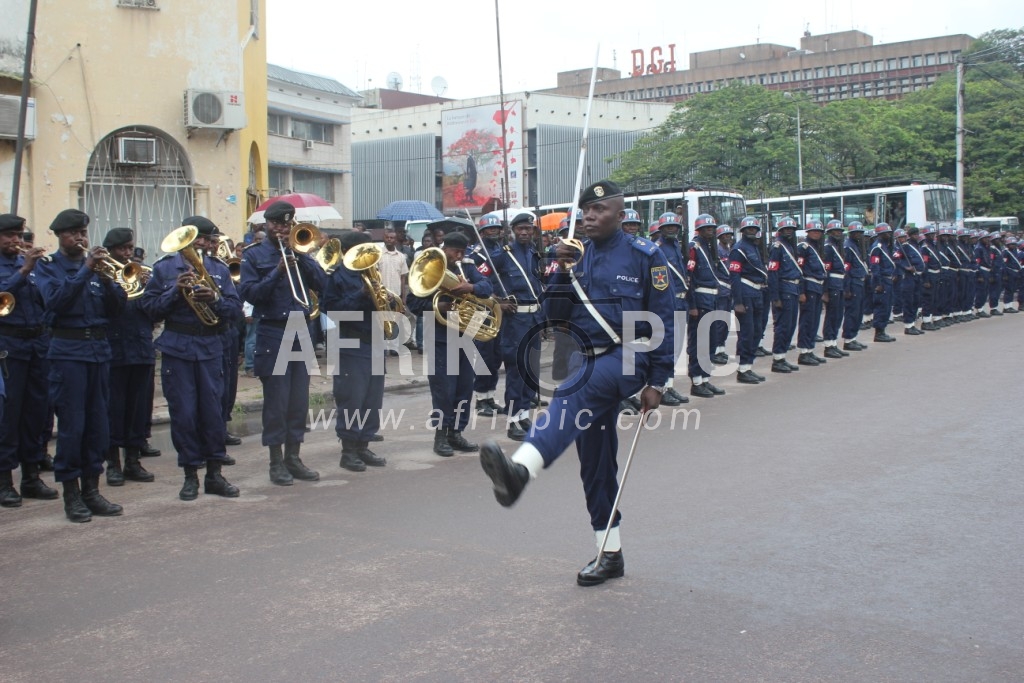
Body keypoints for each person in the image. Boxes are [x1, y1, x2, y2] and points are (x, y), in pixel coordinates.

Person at [478, 179, 676, 587]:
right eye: (586, 210)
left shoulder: (645, 255)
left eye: (599, 210)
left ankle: (521, 469)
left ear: (620, 215)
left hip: (628, 355)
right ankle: (610, 552)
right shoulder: (573, 256)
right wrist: (563, 272)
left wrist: (658, 380)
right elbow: (553, 316)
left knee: (572, 393)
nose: (589, 216)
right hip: (584, 355)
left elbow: (663, 319)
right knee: (595, 464)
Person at [34, 209, 127, 523]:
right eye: (73, 233)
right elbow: (55, 302)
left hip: (99, 351)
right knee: (73, 427)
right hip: (68, 353)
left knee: (98, 426)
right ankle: (71, 495)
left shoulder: (98, 269)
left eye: (83, 233)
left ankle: (92, 490)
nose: (80, 238)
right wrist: (87, 270)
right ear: (60, 236)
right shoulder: (48, 267)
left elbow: (116, 310)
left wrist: (109, 282)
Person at [141, 217, 241, 500]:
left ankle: (214, 474)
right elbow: (150, 309)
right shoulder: (164, 269)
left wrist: (215, 300)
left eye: (209, 240)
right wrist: (175, 291)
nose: (207, 244)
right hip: (178, 347)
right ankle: (190, 476)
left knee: (213, 412)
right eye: (202, 239)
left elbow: (235, 309)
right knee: (184, 413)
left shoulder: (218, 269)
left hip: (210, 346)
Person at [238, 200, 325, 486]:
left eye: (287, 224)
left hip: (301, 329)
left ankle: (294, 458)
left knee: (299, 400)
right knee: (277, 401)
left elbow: (322, 284)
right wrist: (277, 270)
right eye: (277, 224)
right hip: (273, 331)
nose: (282, 229)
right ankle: (275, 462)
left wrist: (302, 256)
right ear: (266, 224)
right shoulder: (253, 255)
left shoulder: (299, 251)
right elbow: (251, 294)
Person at [0, 214, 58, 507]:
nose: (16, 240)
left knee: (37, 412)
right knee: (9, 415)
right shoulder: (22, 266)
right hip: (9, 346)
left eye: (19, 235)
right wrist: (24, 270)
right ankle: (4, 480)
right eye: (9, 235)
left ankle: (31, 477)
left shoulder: (36, 267)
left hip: (38, 344)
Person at [323, 231, 388, 471]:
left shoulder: (371, 273)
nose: (368, 256)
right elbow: (333, 310)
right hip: (350, 342)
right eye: (363, 251)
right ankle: (348, 451)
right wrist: (360, 295)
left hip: (375, 340)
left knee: (372, 398)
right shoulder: (337, 277)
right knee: (352, 398)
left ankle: (363, 445)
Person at [425, 231, 492, 456]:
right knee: (443, 390)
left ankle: (456, 433)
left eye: (462, 252)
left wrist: (471, 288)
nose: (459, 256)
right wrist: (439, 307)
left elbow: (487, 286)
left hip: (464, 335)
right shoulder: (431, 268)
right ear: (445, 249)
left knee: (464, 388)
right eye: (456, 252)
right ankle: (441, 436)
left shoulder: (467, 267)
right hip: (440, 337)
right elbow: (414, 303)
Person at [102, 228, 158, 486]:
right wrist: (111, 283)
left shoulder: (143, 275)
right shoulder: (104, 276)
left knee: (138, 409)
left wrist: (148, 288)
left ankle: (133, 461)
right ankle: (113, 464)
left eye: (129, 248)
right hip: (114, 350)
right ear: (110, 251)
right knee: (114, 409)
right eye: (121, 249)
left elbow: (155, 313)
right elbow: (107, 309)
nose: (126, 254)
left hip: (141, 348)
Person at [489, 211, 545, 440]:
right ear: (512, 231)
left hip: (534, 320)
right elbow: (482, 282)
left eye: (528, 229)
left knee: (531, 370)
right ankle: (513, 420)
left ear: (533, 231)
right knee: (516, 371)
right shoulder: (502, 255)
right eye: (520, 229)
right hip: (515, 322)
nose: (524, 232)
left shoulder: (534, 254)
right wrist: (497, 301)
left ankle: (523, 414)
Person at [686, 214, 729, 397]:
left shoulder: (710, 247)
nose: (710, 231)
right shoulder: (694, 247)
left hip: (712, 299)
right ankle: (696, 381)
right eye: (706, 228)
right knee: (699, 343)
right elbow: (689, 278)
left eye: (712, 228)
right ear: (699, 230)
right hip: (700, 299)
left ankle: (705, 378)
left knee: (711, 341)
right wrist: (692, 305)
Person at [470, 215, 507, 417]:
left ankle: (490, 396)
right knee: (484, 354)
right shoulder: (476, 254)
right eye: (490, 229)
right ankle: (480, 398)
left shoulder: (501, 250)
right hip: (480, 308)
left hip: (499, 308)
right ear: (482, 232)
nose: (494, 231)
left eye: (496, 228)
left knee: (496, 355)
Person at [728, 216, 768, 384]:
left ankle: (748, 366)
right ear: (743, 231)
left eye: (754, 229)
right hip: (745, 293)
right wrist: (738, 301)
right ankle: (743, 369)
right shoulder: (739, 249)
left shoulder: (754, 247)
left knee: (757, 331)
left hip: (757, 293)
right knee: (747, 333)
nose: (752, 231)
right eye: (749, 229)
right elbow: (734, 276)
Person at [767, 217, 803, 373]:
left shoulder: (790, 246)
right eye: (786, 229)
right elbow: (773, 273)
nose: (789, 231)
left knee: (790, 325)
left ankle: (782, 356)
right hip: (784, 289)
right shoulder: (777, 247)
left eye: (791, 229)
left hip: (793, 288)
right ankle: (777, 359)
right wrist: (776, 297)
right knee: (783, 326)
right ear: (780, 231)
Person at [796, 220, 828, 366]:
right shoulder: (803, 247)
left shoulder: (818, 247)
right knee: (807, 321)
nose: (816, 233)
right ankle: (803, 352)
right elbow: (800, 270)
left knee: (814, 321)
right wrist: (801, 291)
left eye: (819, 231)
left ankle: (810, 350)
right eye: (814, 231)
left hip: (817, 287)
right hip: (808, 287)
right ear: (808, 232)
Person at [819, 220, 850, 355]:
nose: (838, 233)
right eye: (835, 231)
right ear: (830, 233)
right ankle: (828, 345)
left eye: (839, 231)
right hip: (832, 284)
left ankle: (833, 342)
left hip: (840, 284)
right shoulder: (828, 247)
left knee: (838, 315)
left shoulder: (838, 247)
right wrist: (825, 291)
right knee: (831, 315)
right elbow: (826, 270)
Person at [377, 228, 409, 357]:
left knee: (395, 321)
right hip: (381, 295)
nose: (389, 240)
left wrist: (403, 297)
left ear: (396, 240)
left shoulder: (401, 257)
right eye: (387, 237)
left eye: (392, 238)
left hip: (396, 295)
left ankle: (394, 347)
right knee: (382, 321)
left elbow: (403, 278)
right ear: (384, 238)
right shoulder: (378, 255)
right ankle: (384, 347)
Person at [842, 222, 870, 351]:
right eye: (856, 233)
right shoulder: (848, 246)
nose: (858, 235)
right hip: (853, 282)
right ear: (851, 234)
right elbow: (846, 269)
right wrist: (847, 288)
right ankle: (848, 339)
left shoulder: (857, 245)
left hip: (860, 281)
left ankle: (853, 337)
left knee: (858, 311)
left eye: (860, 233)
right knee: (852, 312)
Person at [892, 227, 925, 336]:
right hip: (909, 277)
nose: (917, 236)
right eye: (914, 235)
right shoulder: (905, 247)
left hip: (917, 276)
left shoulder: (917, 246)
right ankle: (908, 325)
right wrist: (905, 266)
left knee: (916, 300)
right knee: (909, 301)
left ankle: (913, 324)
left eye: (917, 234)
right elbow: (895, 258)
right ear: (910, 236)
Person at [868, 223, 898, 342]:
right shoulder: (877, 247)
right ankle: (879, 332)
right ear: (880, 234)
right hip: (882, 280)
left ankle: (883, 330)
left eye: (889, 233)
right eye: (886, 233)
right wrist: (878, 283)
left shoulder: (886, 246)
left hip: (888, 279)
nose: (888, 235)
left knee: (887, 306)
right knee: (881, 306)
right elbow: (875, 266)